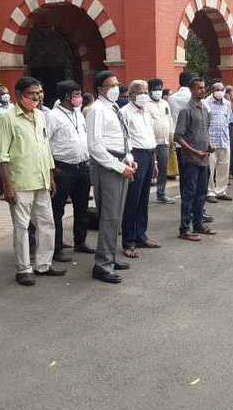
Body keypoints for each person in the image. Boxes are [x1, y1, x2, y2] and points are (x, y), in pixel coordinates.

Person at [0, 78, 63, 286]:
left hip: (41, 179)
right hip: (20, 182)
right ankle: (24, 268)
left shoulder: (41, 115)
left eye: (40, 92)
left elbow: (45, 148)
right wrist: (7, 185)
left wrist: (50, 177)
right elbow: (1, 155)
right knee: (22, 227)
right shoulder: (7, 119)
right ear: (19, 95)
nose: (37, 97)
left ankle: (43, 264)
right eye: (32, 93)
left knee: (47, 223)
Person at [85, 71, 136, 283]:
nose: (115, 88)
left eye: (117, 84)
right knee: (109, 215)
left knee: (117, 214)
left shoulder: (113, 107)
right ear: (99, 89)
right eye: (110, 85)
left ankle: (110, 257)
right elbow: (95, 146)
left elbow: (123, 136)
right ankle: (102, 264)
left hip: (120, 163)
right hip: (108, 167)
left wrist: (129, 157)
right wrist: (117, 166)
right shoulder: (96, 110)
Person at [47, 80, 93, 260]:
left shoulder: (78, 114)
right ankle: (56, 248)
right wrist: (53, 168)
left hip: (83, 167)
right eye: (77, 95)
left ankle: (80, 242)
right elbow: (46, 143)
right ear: (67, 96)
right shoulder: (52, 116)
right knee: (57, 210)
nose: (79, 98)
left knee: (82, 207)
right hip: (63, 169)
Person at [120, 80, 161, 257]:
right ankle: (129, 241)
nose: (144, 94)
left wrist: (155, 162)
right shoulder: (124, 113)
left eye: (146, 91)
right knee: (132, 200)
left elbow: (150, 137)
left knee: (144, 199)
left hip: (148, 154)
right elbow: (123, 139)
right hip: (134, 157)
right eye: (139, 91)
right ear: (131, 95)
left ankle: (141, 235)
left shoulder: (146, 111)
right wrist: (128, 160)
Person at [174, 76, 212, 241]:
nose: (202, 90)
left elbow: (204, 132)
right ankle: (184, 229)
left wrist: (208, 146)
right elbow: (178, 136)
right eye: (199, 88)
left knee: (202, 193)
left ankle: (198, 224)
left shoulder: (204, 109)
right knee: (189, 193)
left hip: (204, 158)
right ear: (191, 90)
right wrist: (194, 151)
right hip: (191, 160)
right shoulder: (186, 110)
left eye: (204, 88)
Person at [146, 78, 175, 204]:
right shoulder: (145, 105)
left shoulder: (165, 104)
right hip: (149, 143)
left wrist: (171, 136)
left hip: (164, 142)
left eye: (159, 89)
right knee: (149, 169)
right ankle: (144, 195)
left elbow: (169, 120)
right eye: (155, 89)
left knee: (163, 168)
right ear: (149, 91)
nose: (157, 91)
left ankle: (161, 193)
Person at [204, 81, 233, 203]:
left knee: (224, 166)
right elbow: (204, 122)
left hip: (224, 139)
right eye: (217, 89)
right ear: (212, 91)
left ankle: (221, 191)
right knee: (210, 167)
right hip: (211, 141)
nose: (220, 92)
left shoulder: (227, 103)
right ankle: (210, 192)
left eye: (222, 89)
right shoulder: (206, 103)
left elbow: (229, 120)